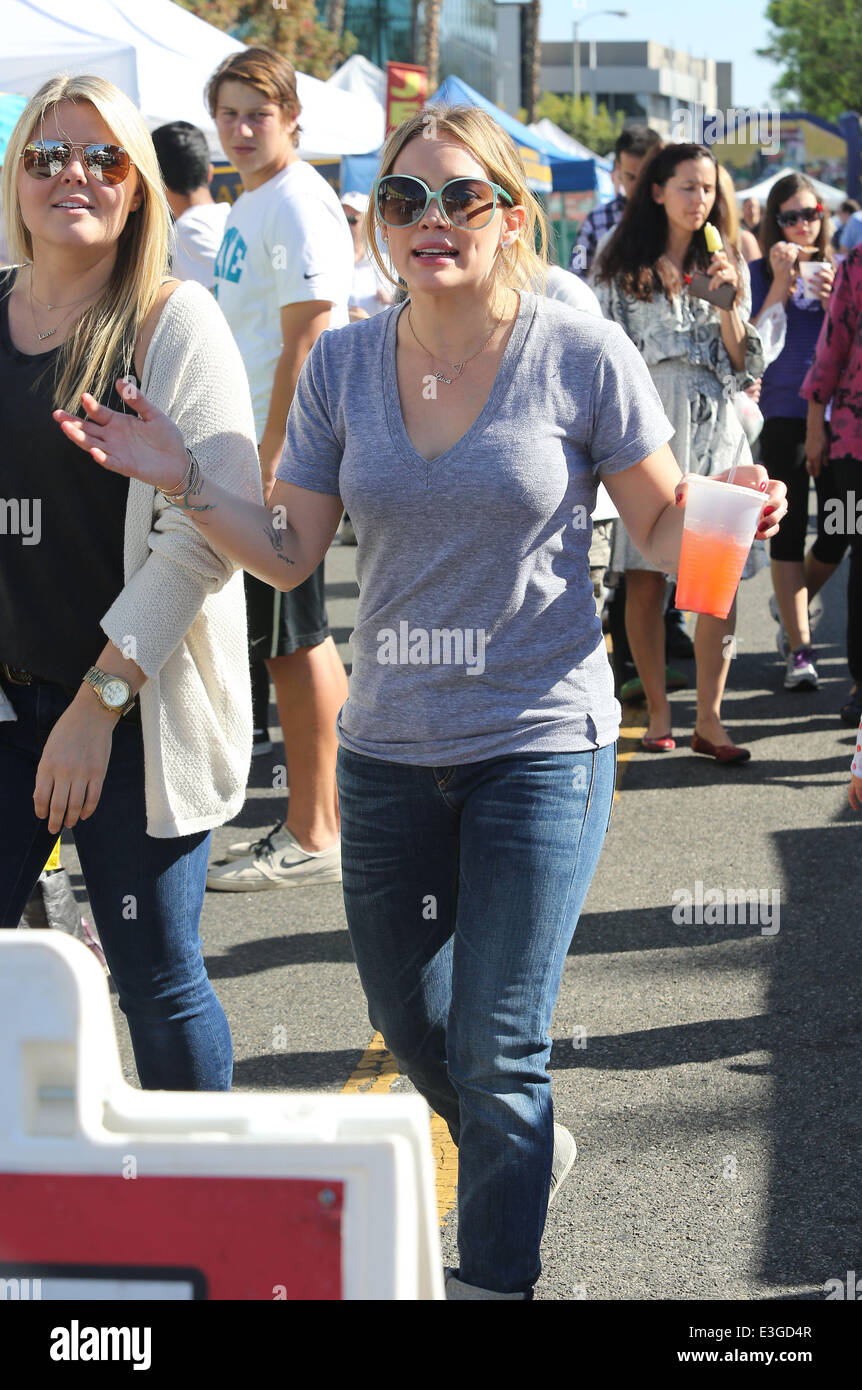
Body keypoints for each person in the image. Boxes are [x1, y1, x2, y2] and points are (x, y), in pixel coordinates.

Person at [53, 103, 788, 1300]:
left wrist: (727, 504)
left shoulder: (579, 350)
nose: (430, 221)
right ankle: (520, 1143)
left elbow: (657, 523)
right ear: (380, 224)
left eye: (459, 199)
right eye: (404, 201)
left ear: (509, 215)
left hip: (539, 740)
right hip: (389, 751)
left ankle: (496, 1276)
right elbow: (290, 550)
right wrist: (183, 476)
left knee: (500, 1043)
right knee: (411, 1018)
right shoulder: (345, 362)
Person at [0, 75, 263, 1089]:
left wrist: (96, 705)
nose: (75, 174)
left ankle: (205, 1217)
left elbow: (200, 543)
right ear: (17, 177)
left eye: (105, 158)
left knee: (153, 973)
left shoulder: (171, 321)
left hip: (132, 709)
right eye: (48, 155)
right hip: (12, 696)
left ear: (140, 188)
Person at [206, 46, 352, 890]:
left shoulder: (299, 201)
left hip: (283, 455)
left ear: (292, 117)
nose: (241, 128)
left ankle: (314, 827)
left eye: (256, 112)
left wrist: (273, 455)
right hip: (255, 450)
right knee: (293, 638)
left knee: (293, 642)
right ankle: (313, 818)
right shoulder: (252, 200)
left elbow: (308, 337)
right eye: (228, 113)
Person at [593, 142, 766, 761]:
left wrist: (726, 308)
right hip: (646, 430)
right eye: (689, 187)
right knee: (643, 578)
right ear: (658, 191)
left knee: (714, 581)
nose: (701, 201)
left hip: (715, 427)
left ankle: (712, 720)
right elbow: (600, 354)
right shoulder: (619, 269)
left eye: (711, 190)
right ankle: (661, 712)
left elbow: (744, 371)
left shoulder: (725, 266)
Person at [749, 173, 839, 691]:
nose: (802, 226)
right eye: (790, 217)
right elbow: (752, 344)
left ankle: (790, 604)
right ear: (774, 222)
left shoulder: (841, 273)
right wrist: (781, 283)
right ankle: (801, 649)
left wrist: (834, 305)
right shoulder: (760, 271)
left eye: (810, 215)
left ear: (822, 216)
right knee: (788, 525)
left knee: (840, 528)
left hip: (834, 418)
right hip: (780, 411)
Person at [801, 244, 862, 728]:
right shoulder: (857, 262)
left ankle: (792, 606)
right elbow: (832, 346)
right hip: (852, 443)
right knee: (845, 541)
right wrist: (815, 425)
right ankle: (794, 609)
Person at [569, 125, 661, 279]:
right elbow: (577, 273)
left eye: (645, 177)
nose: (638, 186)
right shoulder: (596, 220)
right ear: (618, 168)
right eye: (631, 177)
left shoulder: (675, 217)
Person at [150, 120, 229, 289]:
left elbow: (226, 293)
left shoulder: (188, 231)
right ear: (210, 172)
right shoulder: (232, 216)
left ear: (157, 181)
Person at [340, 190, 394, 320]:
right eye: (342, 220)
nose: (347, 225)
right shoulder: (327, 261)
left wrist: (390, 300)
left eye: (352, 220)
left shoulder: (385, 263)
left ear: (367, 223)